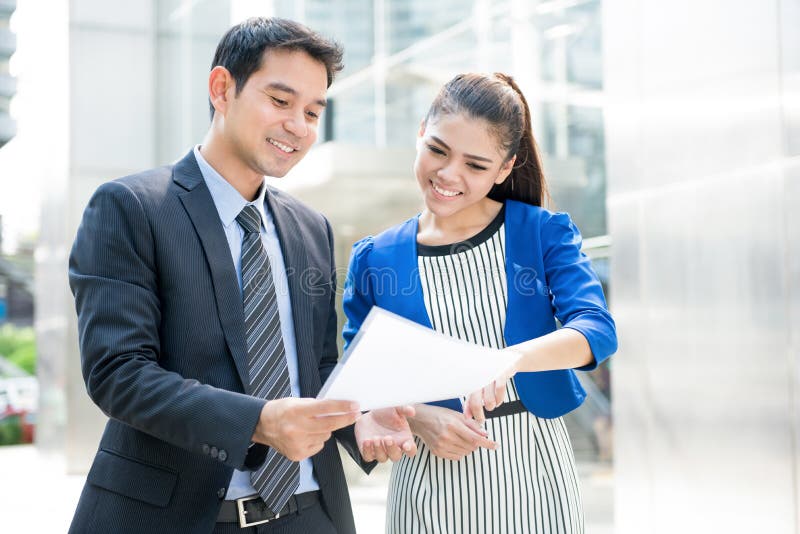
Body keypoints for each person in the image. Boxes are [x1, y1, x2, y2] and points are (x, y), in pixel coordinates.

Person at [68, 17, 413, 534]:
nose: (299, 125)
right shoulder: (133, 207)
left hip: (309, 513)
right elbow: (118, 372)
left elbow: (314, 367)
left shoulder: (309, 227)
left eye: (313, 111)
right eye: (280, 101)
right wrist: (259, 423)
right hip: (178, 517)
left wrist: (356, 420)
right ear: (222, 89)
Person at [343, 73, 618, 533]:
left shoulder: (541, 233)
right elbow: (363, 382)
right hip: (428, 485)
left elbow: (596, 329)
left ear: (505, 169)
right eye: (437, 150)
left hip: (534, 474)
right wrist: (422, 418)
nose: (449, 175)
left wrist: (507, 361)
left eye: (475, 165)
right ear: (419, 135)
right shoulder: (377, 257)